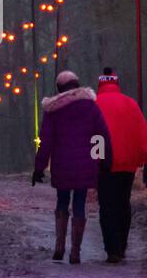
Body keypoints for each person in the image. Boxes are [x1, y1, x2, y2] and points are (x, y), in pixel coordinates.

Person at [33, 70, 111, 264]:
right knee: (79, 204)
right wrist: (104, 160)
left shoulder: (53, 110)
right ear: (77, 85)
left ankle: (59, 247)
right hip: (85, 165)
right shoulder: (90, 107)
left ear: (59, 87)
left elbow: (46, 141)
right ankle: (75, 251)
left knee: (61, 201)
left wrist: (39, 167)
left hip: (62, 165)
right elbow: (101, 135)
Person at [94, 67, 147, 263]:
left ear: (100, 85)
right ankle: (122, 245)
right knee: (123, 203)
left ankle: (113, 249)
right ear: (116, 84)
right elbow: (144, 134)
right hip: (128, 164)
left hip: (103, 163)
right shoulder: (131, 104)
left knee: (107, 206)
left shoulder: (94, 104)